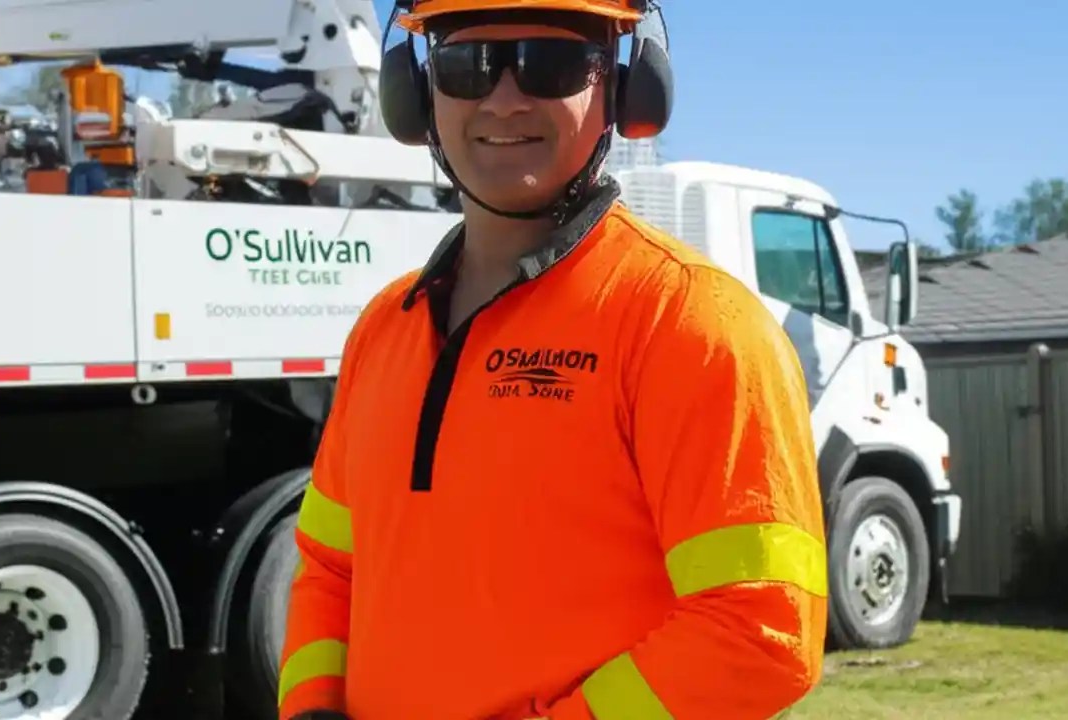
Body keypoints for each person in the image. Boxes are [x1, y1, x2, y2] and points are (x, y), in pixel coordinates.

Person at [277, 1, 829, 718]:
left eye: (552, 64)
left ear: (624, 91)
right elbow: (329, 568)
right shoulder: (384, 329)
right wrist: (312, 706)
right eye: (466, 65)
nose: (505, 99)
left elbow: (762, 628)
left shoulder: (689, 322)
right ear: (415, 94)